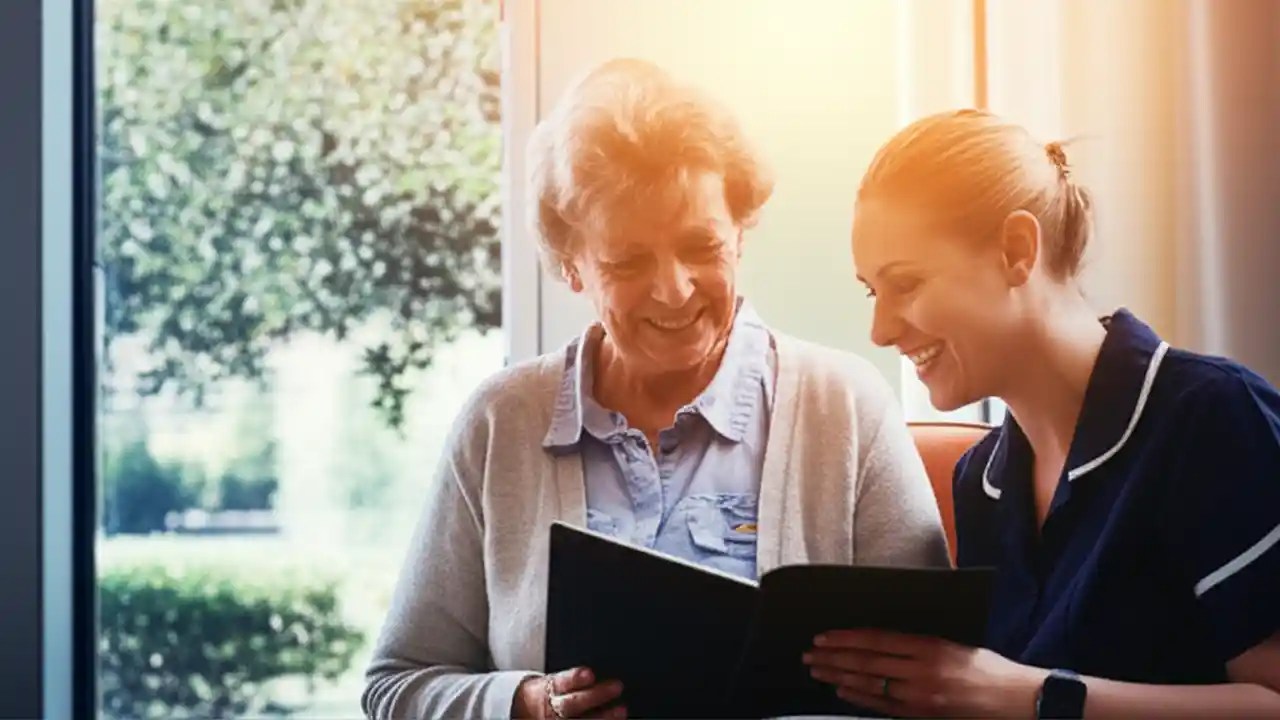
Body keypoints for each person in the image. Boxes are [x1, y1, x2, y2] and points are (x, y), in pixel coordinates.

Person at [360, 58, 951, 720]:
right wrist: (526, 705)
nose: (673, 289)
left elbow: (936, 682)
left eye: (701, 247)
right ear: (571, 266)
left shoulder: (845, 406)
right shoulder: (501, 422)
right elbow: (396, 684)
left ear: (741, 233)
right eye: (628, 261)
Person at [803, 107, 1280, 718]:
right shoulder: (981, 481)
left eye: (907, 283)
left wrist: (1027, 695)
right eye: (874, 291)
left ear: (1016, 250)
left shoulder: (1210, 417)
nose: (880, 329)